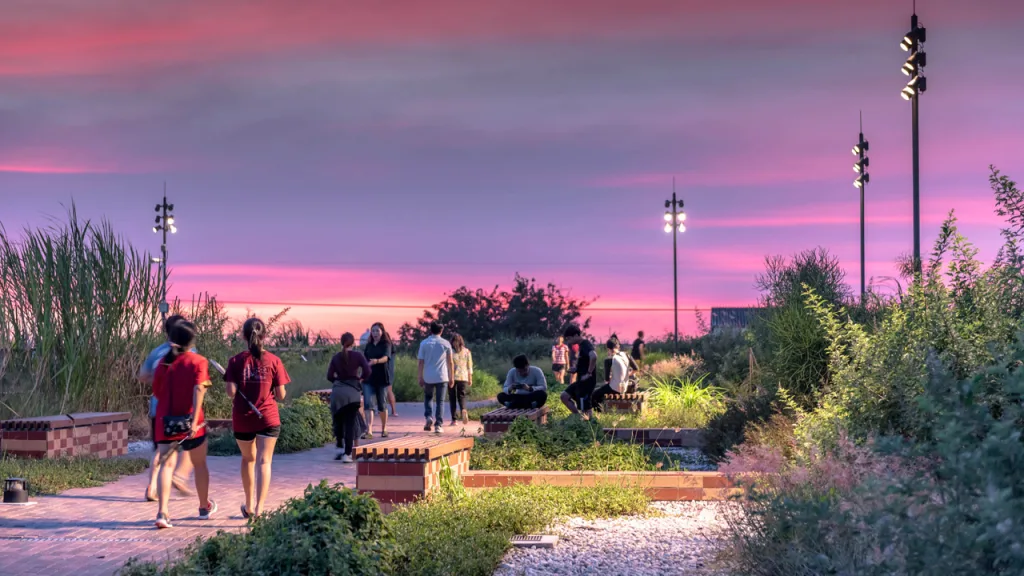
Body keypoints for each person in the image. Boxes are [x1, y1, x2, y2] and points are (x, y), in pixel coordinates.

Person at [223, 318, 290, 519]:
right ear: (264, 335)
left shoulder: (235, 361)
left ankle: (249, 505)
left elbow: (231, 393)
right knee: (264, 461)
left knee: (248, 459)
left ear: (243, 336)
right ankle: (260, 509)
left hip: (243, 418)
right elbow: (281, 395)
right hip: (268, 417)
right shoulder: (274, 361)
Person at [152, 320, 216, 529]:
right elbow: (199, 389)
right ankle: (203, 507)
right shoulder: (199, 361)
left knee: (166, 465)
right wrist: (195, 420)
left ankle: (163, 512)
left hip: (166, 422)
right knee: (199, 465)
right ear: (191, 340)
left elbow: (157, 392)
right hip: (191, 422)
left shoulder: (163, 363)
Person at [140, 314, 194, 502]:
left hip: (158, 409)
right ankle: (180, 476)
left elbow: (143, 376)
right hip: (183, 410)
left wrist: (158, 380)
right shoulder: (191, 353)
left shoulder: (156, 353)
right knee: (191, 445)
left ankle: (152, 486)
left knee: (160, 450)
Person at [328, 332, 371, 462]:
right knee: (350, 423)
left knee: (339, 421)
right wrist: (360, 379)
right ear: (353, 343)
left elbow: (329, 376)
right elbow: (368, 371)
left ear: (341, 342)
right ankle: (347, 454)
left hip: (338, 393)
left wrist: (338, 382)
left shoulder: (336, 357)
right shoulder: (358, 356)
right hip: (352, 393)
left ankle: (339, 448)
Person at [417, 321, 453, 434]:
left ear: (430, 330)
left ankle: (428, 417)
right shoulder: (446, 343)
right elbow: (450, 362)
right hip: (442, 376)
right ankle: (438, 425)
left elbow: (420, 362)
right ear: (441, 331)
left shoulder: (424, 343)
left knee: (428, 398)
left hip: (428, 376)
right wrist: (452, 377)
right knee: (440, 401)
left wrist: (420, 377)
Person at [362, 322, 394, 438]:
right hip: (369, 378)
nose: (375, 333)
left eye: (377, 330)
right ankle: (369, 431)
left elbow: (386, 357)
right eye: (373, 330)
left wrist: (376, 361)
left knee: (382, 405)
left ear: (382, 332)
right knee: (368, 404)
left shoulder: (386, 344)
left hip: (381, 378)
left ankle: (384, 428)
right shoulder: (369, 345)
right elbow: (364, 359)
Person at [560, 325, 598, 419]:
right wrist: (576, 369)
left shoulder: (586, 344)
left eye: (569, 339)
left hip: (587, 382)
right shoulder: (581, 346)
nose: (568, 342)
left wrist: (589, 373)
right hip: (580, 381)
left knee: (586, 408)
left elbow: (594, 356)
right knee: (564, 396)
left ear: (576, 335)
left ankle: (589, 426)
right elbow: (586, 360)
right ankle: (578, 417)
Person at [593, 337, 634, 409]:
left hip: (615, 389)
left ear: (608, 349)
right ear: (618, 347)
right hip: (625, 387)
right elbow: (636, 368)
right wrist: (627, 374)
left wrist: (611, 378)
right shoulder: (626, 355)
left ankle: (599, 412)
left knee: (594, 394)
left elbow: (607, 380)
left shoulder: (609, 359)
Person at [449, 333, 473, 425]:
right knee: (461, 395)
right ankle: (463, 409)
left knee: (452, 397)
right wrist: (470, 378)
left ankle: (454, 420)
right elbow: (469, 366)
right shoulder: (467, 351)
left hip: (451, 377)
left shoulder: (450, 351)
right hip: (463, 377)